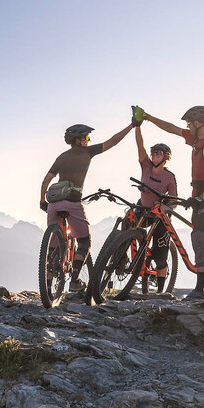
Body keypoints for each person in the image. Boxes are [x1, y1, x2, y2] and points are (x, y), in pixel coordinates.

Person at [139, 105, 204, 300]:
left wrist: (202, 198)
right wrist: (148, 117)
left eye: (189, 124)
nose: (187, 127)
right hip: (198, 195)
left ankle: (199, 290)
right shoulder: (196, 139)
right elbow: (171, 128)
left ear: (198, 123)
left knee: (198, 235)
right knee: (202, 237)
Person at [40, 121, 133, 291]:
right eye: (86, 137)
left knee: (52, 246)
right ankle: (75, 281)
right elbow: (113, 141)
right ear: (78, 140)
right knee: (84, 242)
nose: (88, 141)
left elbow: (46, 180)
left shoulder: (61, 157)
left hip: (53, 204)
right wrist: (131, 126)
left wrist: (42, 202)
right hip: (73, 202)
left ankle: (46, 286)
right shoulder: (87, 152)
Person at [133, 122, 178, 293]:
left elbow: (173, 201)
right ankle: (121, 258)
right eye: (153, 153)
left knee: (160, 252)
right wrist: (137, 128)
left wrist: (166, 209)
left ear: (166, 157)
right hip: (143, 209)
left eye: (158, 153)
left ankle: (160, 290)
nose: (153, 155)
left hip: (161, 215)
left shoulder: (169, 177)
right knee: (125, 223)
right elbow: (140, 147)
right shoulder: (146, 166)